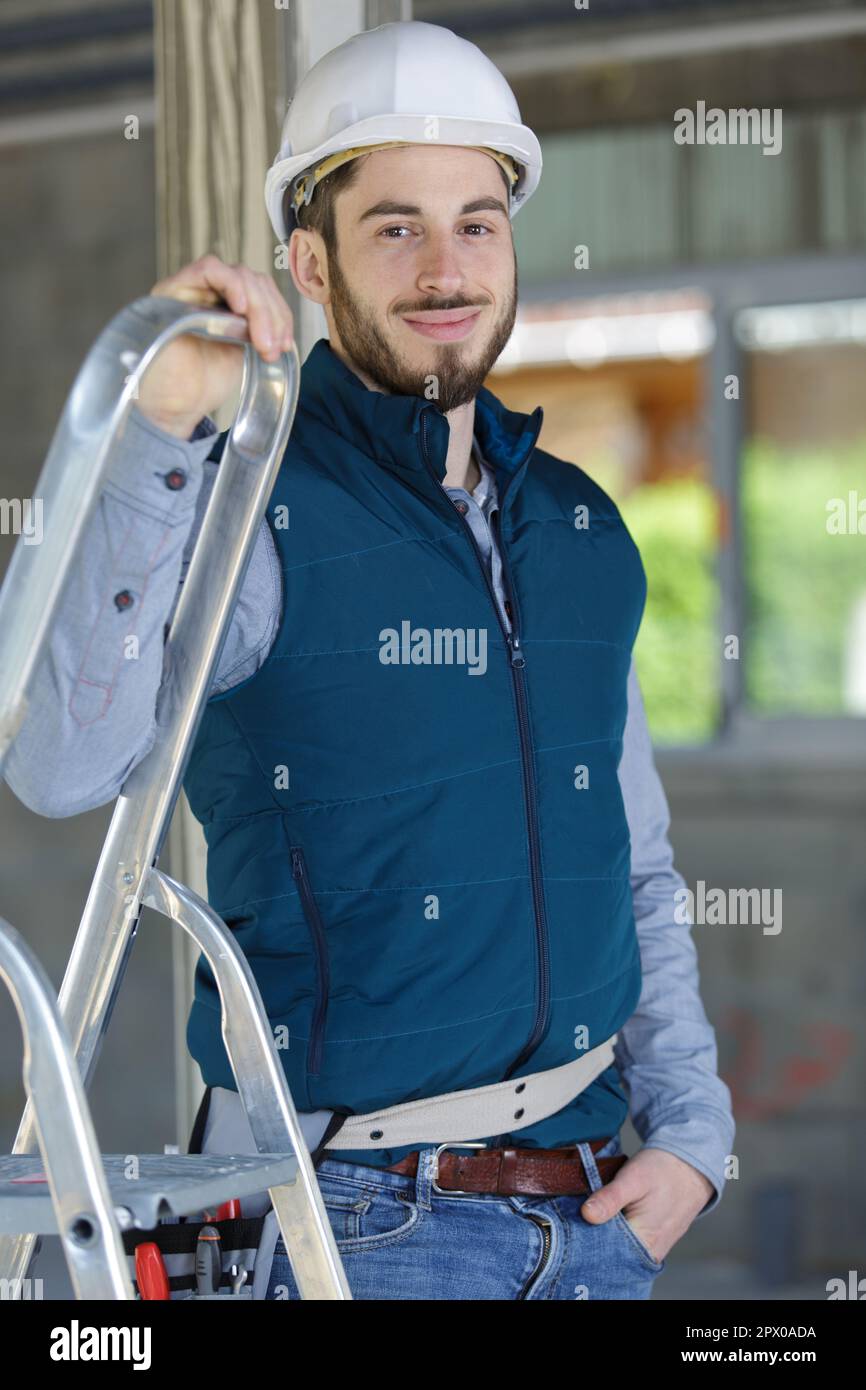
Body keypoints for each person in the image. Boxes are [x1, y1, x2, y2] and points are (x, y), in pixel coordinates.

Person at [4, 21, 733, 1300]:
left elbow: (635, 860)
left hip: (591, 1213)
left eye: (475, 223)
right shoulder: (244, 506)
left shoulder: (577, 527)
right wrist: (160, 432)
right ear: (311, 261)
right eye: (394, 226)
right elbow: (60, 765)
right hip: (339, 1220)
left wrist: (692, 1133)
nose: (444, 268)